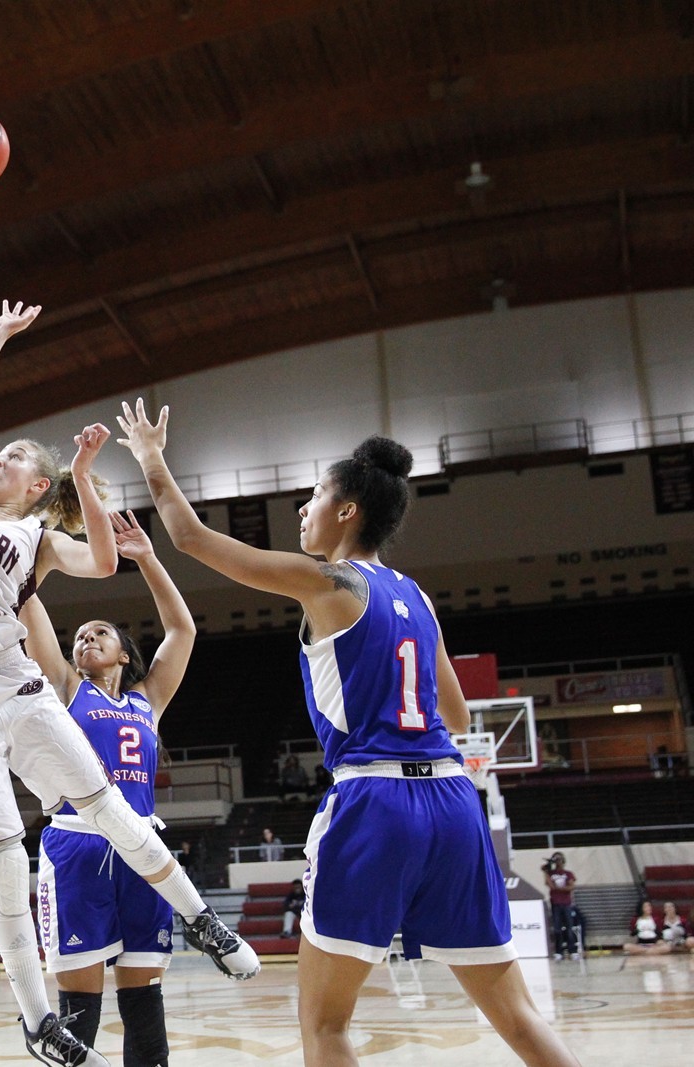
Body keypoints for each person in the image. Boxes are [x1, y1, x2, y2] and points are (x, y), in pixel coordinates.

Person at [116, 399, 579, 1067]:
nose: (303, 509)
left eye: (313, 496)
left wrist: (151, 457)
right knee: (517, 1016)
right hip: (454, 803)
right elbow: (455, 716)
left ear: (347, 510)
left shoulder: (331, 580)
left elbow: (191, 539)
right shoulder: (415, 594)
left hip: (376, 801)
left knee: (326, 1025)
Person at [0, 303, 254, 1067]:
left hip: (14, 681)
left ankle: (202, 919)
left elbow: (102, 562)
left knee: (102, 799)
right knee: (3, 853)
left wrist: (88, 477)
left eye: (16, 460)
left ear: (38, 489)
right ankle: (40, 1023)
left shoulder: (38, 538)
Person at [19, 508, 199, 1067]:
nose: (85, 640)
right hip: (80, 844)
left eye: (99, 633)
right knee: (80, 1005)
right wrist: (20, 541)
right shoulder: (67, 688)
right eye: (79, 636)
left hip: (142, 848)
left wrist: (146, 558)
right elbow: (29, 610)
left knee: (144, 997)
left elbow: (182, 630)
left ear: (123, 652)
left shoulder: (149, 699)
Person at [542, 852, 583, 960]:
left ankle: (572, 951)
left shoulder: (568, 873)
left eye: (559, 860)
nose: (558, 862)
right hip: (556, 904)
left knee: (569, 928)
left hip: (567, 904)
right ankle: (558, 951)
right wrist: (545, 872)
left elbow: (571, 886)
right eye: (556, 860)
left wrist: (559, 889)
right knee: (557, 929)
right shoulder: (551, 874)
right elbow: (550, 885)